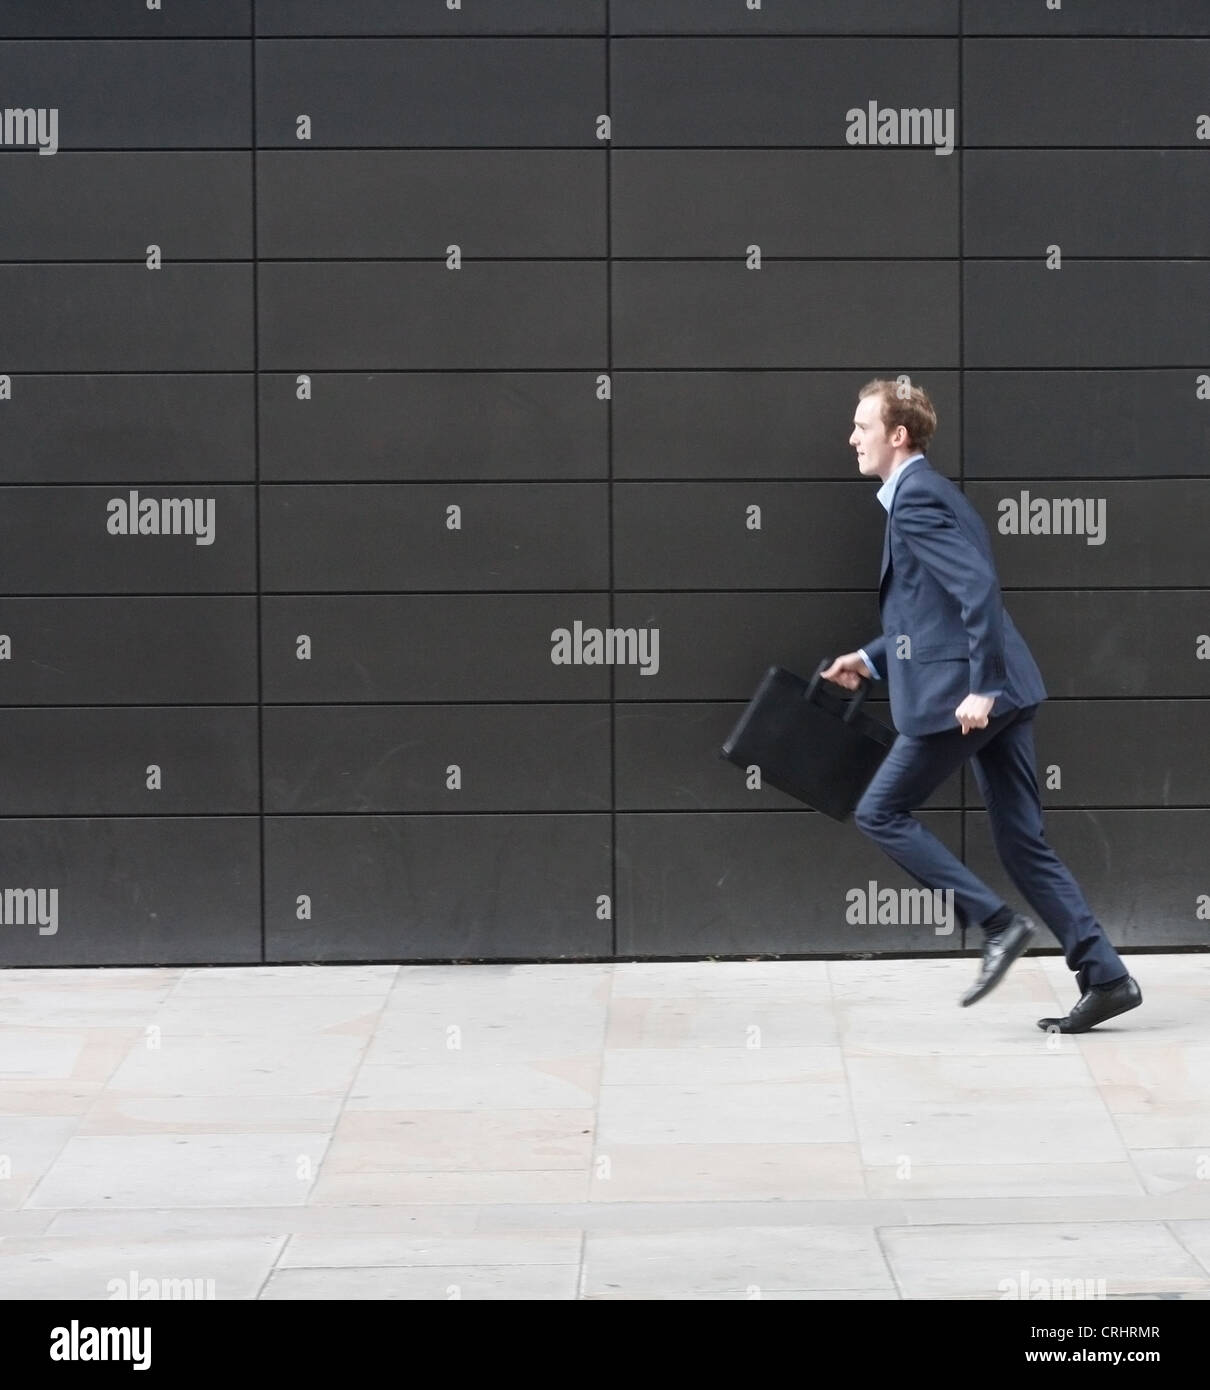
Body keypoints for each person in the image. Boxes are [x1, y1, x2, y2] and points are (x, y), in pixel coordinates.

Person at [821, 379, 1141, 1033]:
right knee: (1023, 844)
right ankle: (1106, 976)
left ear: (897, 435)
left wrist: (983, 689)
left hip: (968, 697)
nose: (852, 438)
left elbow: (977, 589)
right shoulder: (921, 494)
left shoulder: (915, 501)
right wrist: (873, 658)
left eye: (862, 426)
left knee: (881, 811)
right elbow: (932, 607)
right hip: (996, 688)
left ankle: (996, 926)